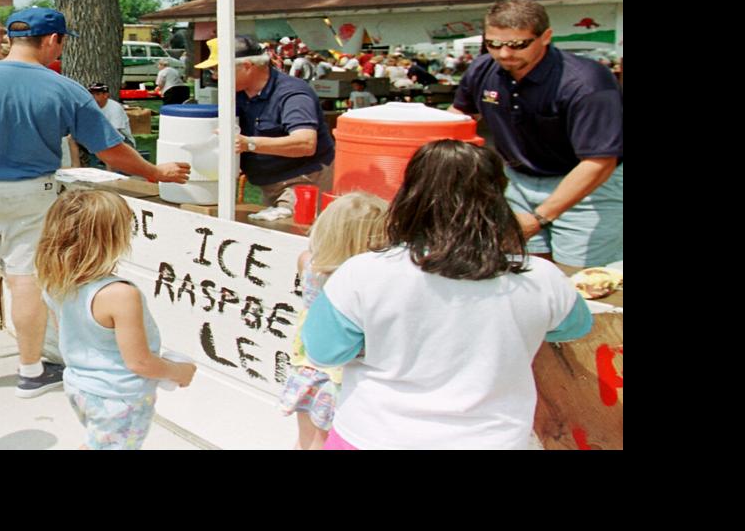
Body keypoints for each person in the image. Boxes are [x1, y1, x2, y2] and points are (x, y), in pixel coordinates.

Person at [0, 7, 189, 396]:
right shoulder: (65, 89)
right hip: (30, 193)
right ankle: (30, 370)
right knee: (26, 280)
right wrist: (154, 172)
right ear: (53, 39)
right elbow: (109, 150)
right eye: (62, 42)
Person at [299, 140, 592, 450]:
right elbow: (575, 327)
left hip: (373, 434)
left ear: (410, 194)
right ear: (498, 198)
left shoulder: (363, 273)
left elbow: (323, 352)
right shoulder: (542, 278)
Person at [452, 0, 623, 269]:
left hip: (588, 185)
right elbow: (458, 119)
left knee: (583, 276)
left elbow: (600, 161)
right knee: (524, 269)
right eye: (493, 44)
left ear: (546, 37)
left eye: (517, 44)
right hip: (517, 180)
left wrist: (541, 217)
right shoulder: (483, 69)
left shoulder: (586, 81)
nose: (504, 54)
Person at [37, 190, 194, 449]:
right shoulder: (120, 294)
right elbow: (140, 362)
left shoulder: (54, 281)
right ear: (113, 238)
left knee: (99, 443)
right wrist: (180, 372)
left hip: (80, 387)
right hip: (119, 397)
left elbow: (68, 334)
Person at [280, 191, 387, 450]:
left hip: (306, 367)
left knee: (306, 439)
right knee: (325, 441)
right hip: (341, 375)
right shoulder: (366, 283)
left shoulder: (309, 264)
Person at [197, 34, 336, 211]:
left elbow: (305, 143)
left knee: (287, 226)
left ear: (247, 66)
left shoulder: (292, 94)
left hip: (303, 182)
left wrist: (249, 144)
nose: (215, 76)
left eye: (218, 69)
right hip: (272, 183)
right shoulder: (238, 93)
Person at [77, 81, 132, 168]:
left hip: (122, 140)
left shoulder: (115, 107)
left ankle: (109, 171)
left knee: (109, 140)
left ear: (106, 95)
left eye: (97, 94)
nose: (93, 97)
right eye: (91, 94)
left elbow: (114, 133)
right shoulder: (89, 107)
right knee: (72, 138)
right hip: (98, 138)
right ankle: (76, 167)